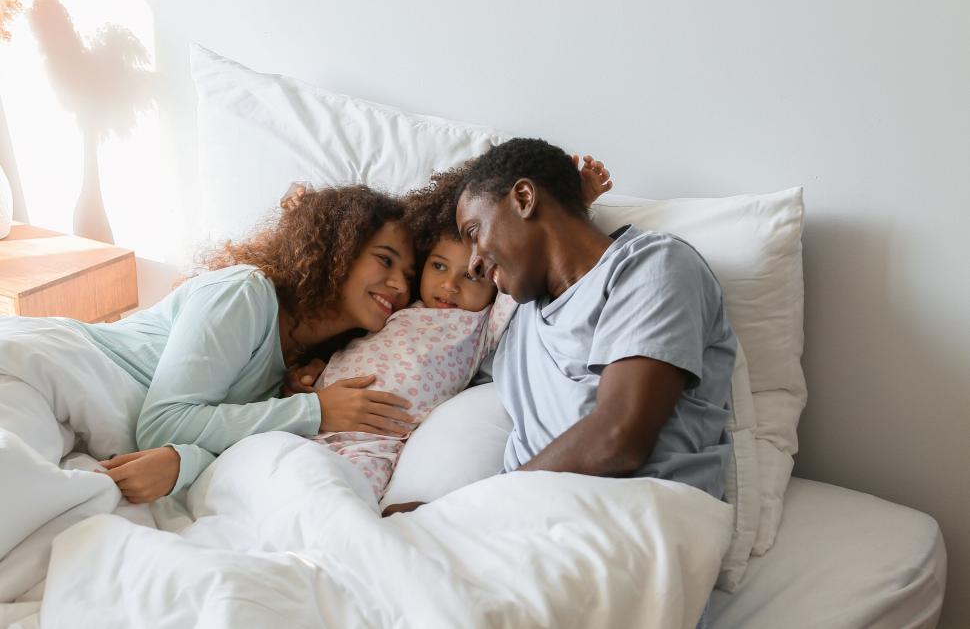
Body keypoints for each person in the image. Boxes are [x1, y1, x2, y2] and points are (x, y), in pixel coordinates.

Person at [388, 138, 736, 524]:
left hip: (627, 525)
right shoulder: (516, 320)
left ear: (523, 197)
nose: (472, 264)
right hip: (521, 527)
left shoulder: (652, 265)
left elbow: (618, 439)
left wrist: (455, 517)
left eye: (473, 232)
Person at [0, 186, 419, 505]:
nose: (400, 286)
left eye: (409, 275)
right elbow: (163, 424)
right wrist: (316, 411)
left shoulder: (300, 363)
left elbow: (212, 429)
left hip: (86, 431)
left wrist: (184, 462)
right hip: (53, 370)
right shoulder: (246, 293)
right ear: (337, 251)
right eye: (385, 260)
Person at [289, 158, 613, 500]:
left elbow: (537, 254)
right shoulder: (398, 303)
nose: (450, 285)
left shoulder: (483, 323)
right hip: (319, 411)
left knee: (341, 500)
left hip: (373, 442)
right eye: (438, 266)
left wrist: (578, 204)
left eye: (472, 275)